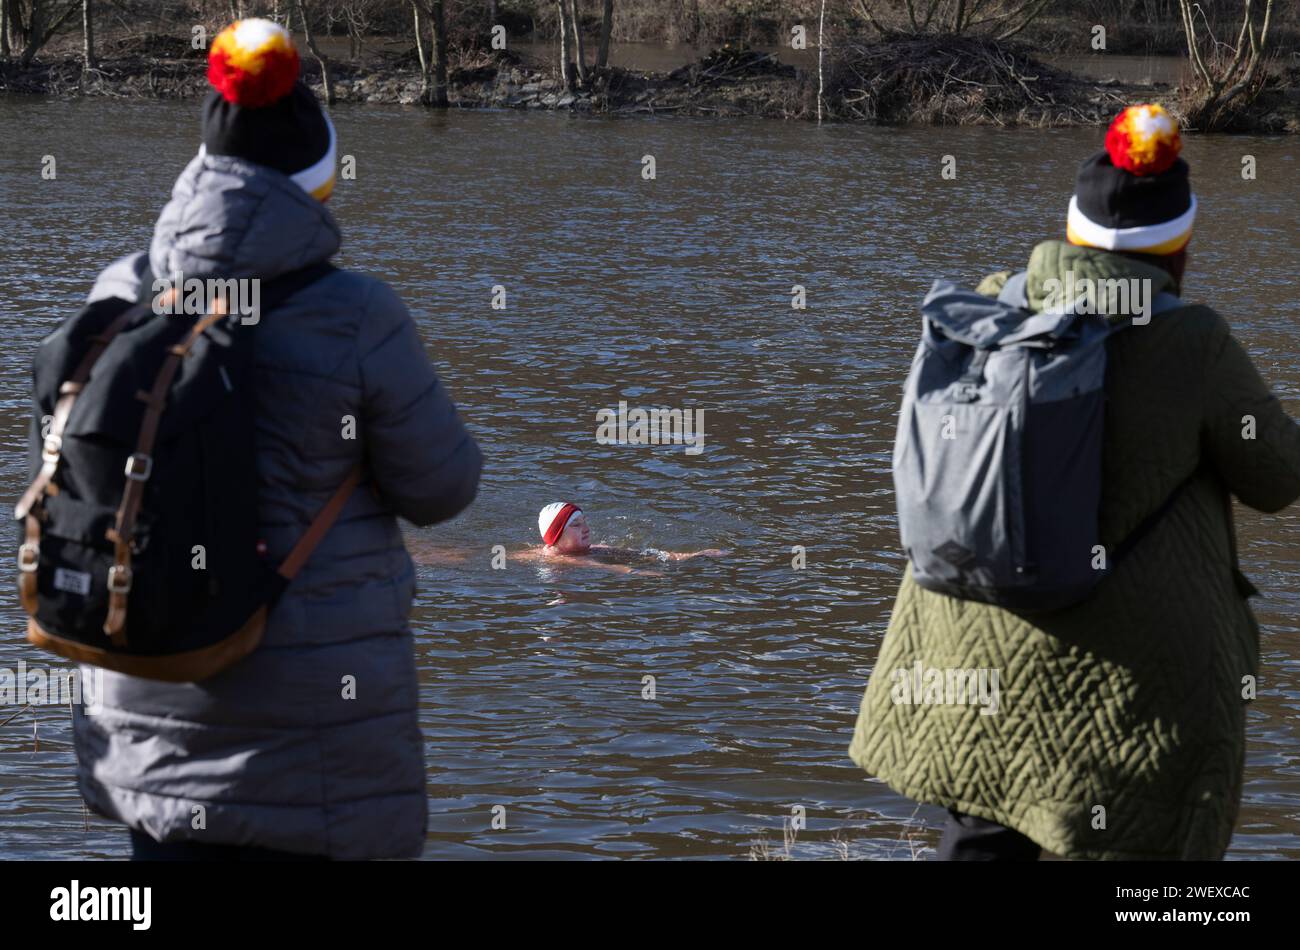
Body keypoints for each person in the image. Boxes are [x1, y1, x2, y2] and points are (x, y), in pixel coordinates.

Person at [69, 19, 482, 861]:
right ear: (318, 182)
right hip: (314, 741)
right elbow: (445, 490)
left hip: (147, 705)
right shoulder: (357, 316)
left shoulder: (122, 290)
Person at [848, 104, 1300, 860]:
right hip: (1125, 699)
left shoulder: (992, 305)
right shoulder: (1194, 343)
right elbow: (1278, 477)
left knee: (983, 839)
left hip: (969, 671)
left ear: (1071, 232)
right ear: (1180, 247)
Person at [512, 502, 726, 573]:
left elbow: (639, 554)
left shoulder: (592, 548)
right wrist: (637, 573)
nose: (586, 528)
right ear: (556, 536)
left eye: (585, 521)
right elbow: (609, 568)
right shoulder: (559, 558)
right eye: (576, 525)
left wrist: (693, 555)